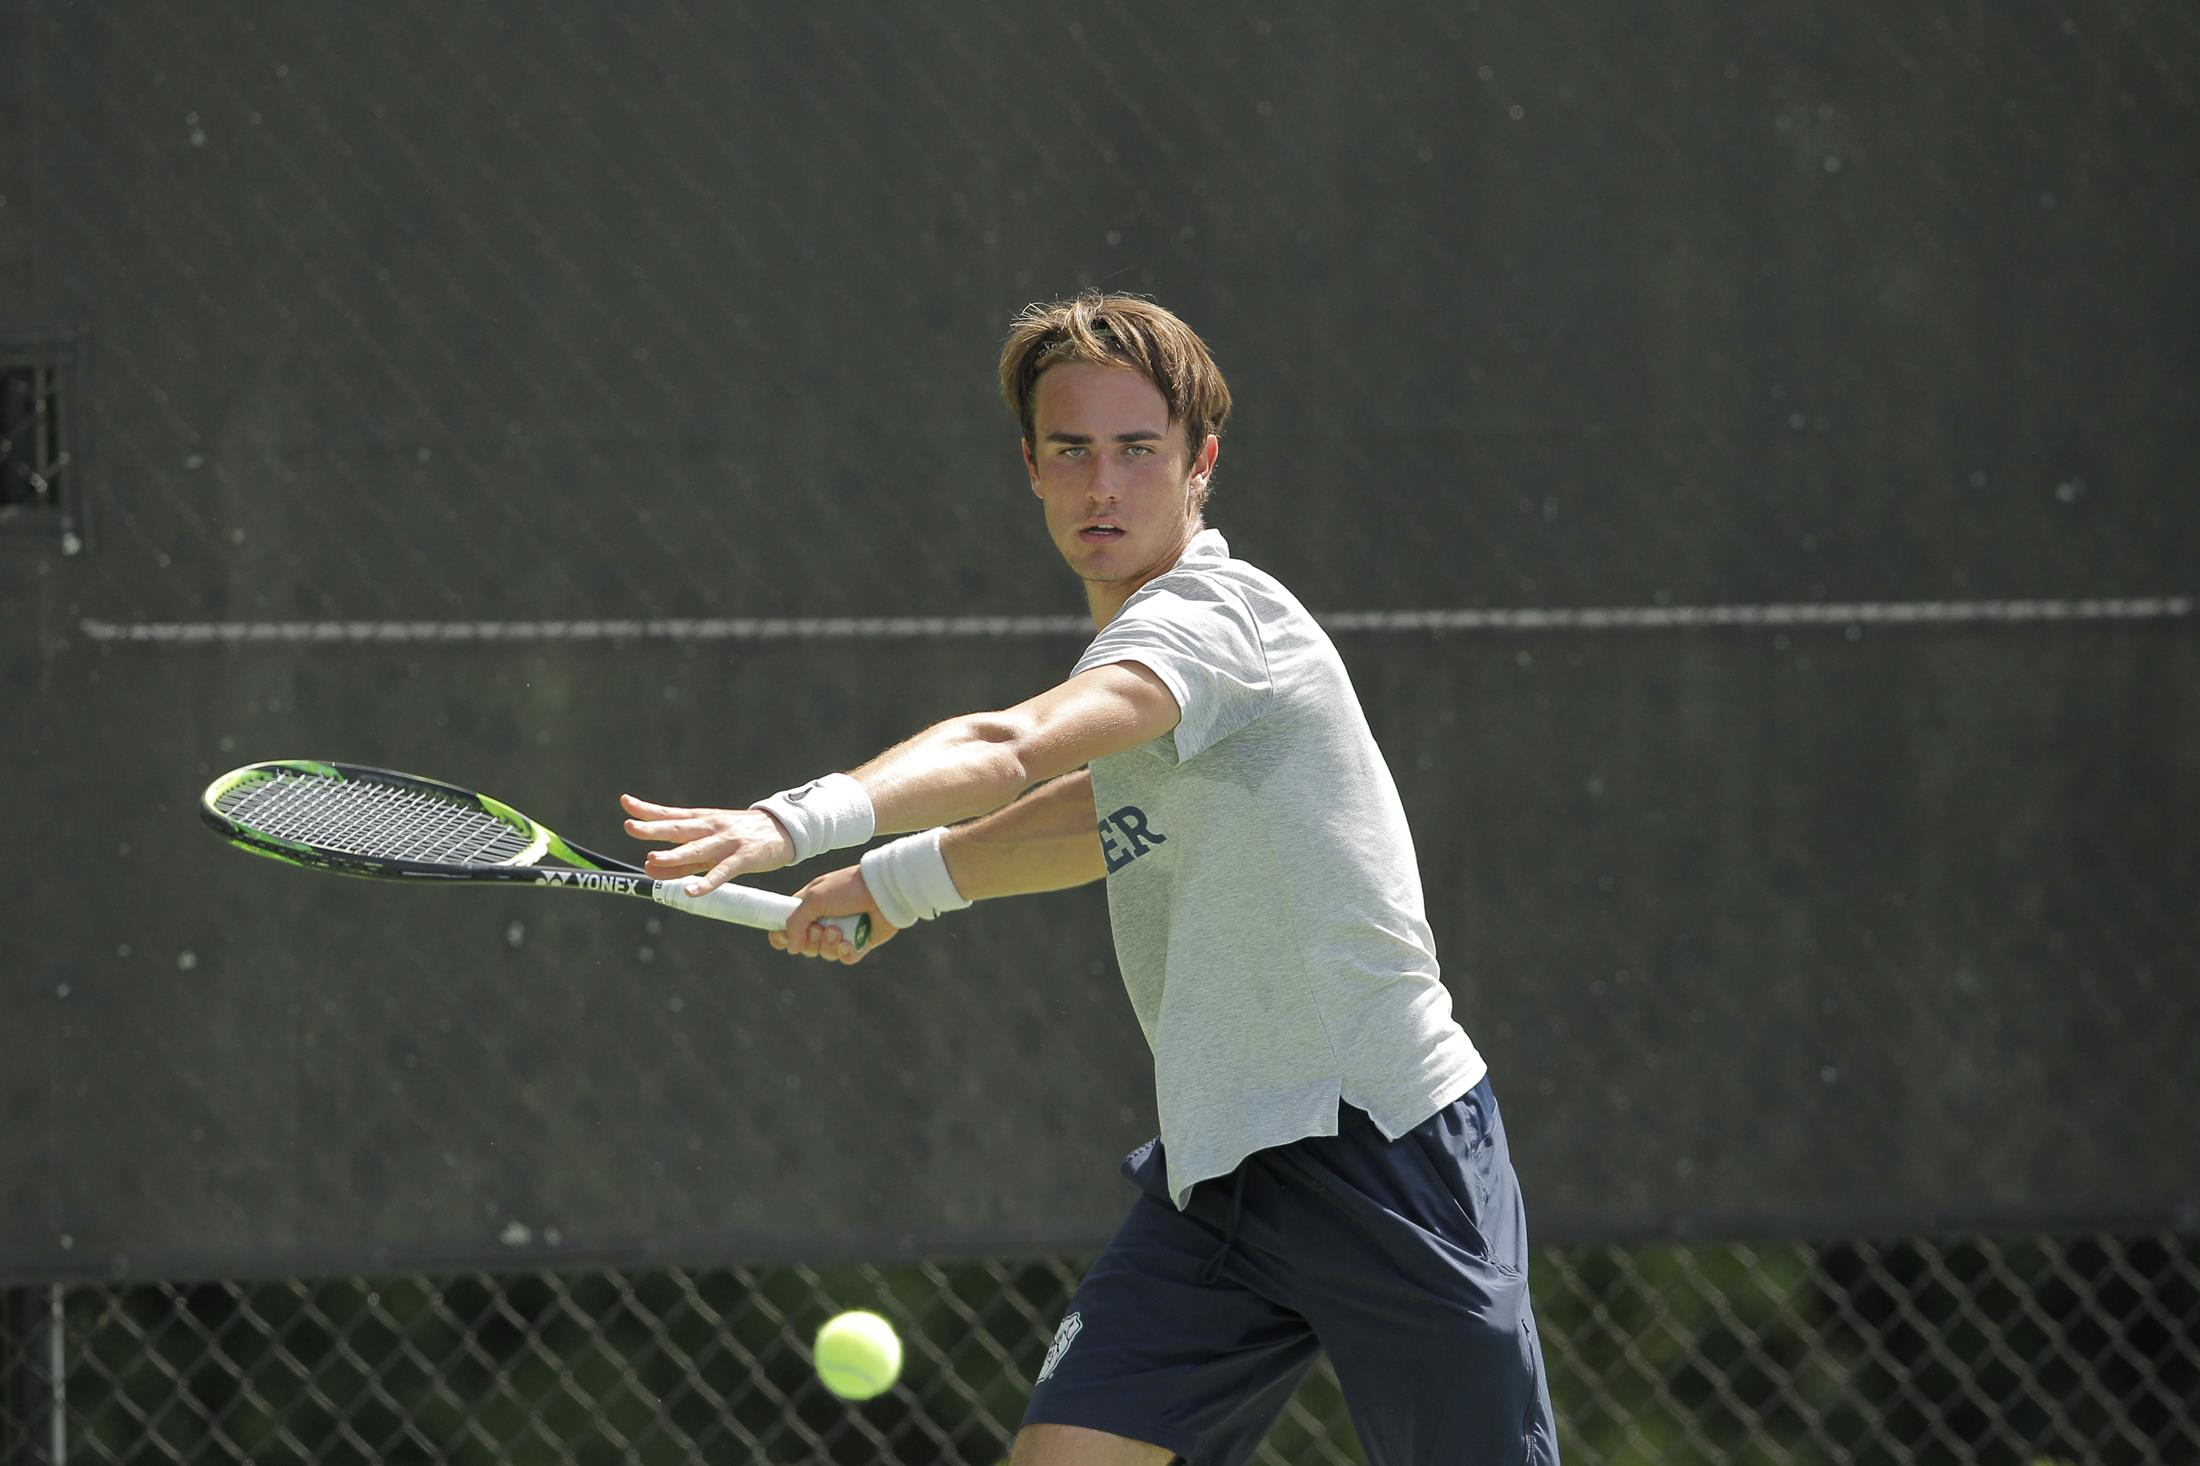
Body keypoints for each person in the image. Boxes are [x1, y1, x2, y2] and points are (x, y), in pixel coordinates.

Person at [622, 293, 1559, 1466]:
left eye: (1136, 450)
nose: (1102, 485)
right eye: (1072, 451)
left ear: (1198, 462)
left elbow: (1011, 746)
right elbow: (1118, 810)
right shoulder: (1157, 675)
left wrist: (789, 822)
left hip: (1382, 1145)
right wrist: (894, 881)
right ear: (1031, 467)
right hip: (1220, 1173)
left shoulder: (1216, 618)